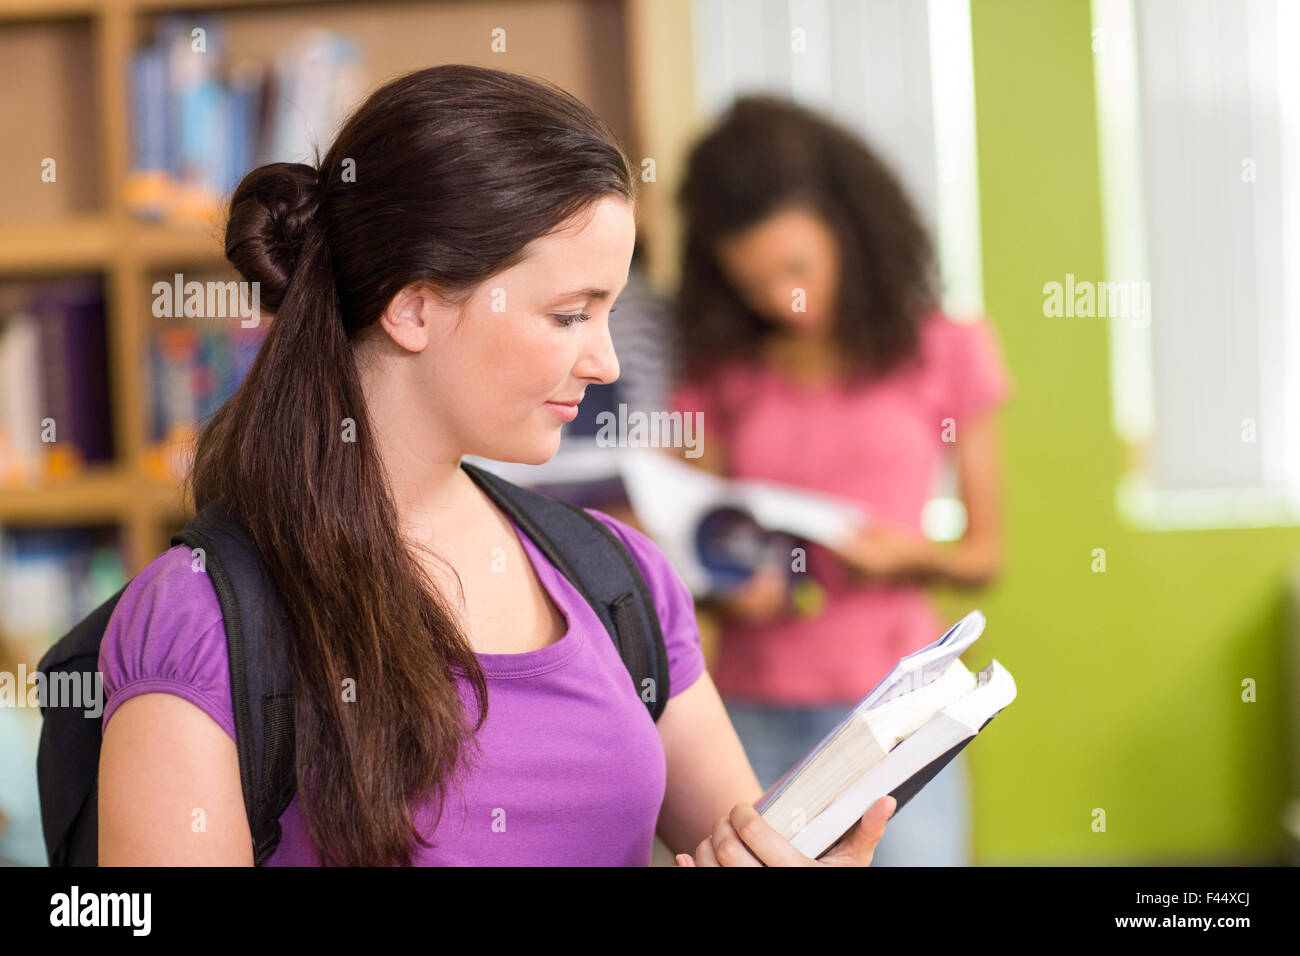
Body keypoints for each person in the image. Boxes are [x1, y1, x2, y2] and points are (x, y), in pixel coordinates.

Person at [95, 65, 895, 867]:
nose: (607, 361)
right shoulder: (201, 622)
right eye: (568, 314)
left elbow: (745, 839)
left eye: (609, 312)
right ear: (413, 307)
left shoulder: (621, 582)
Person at [666, 94, 1012, 866]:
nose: (783, 300)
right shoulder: (720, 374)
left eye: (797, 268)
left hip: (902, 716)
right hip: (749, 712)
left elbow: (987, 556)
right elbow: (690, 538)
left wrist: (907, 556)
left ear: (850, 233)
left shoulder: (945, 350)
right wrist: (726, 585)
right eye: (752, 284)